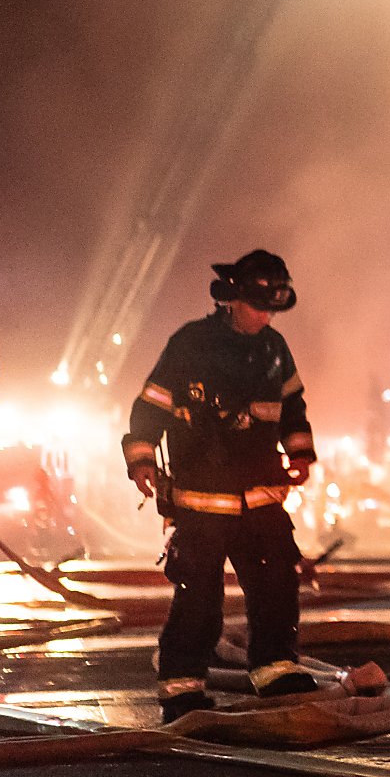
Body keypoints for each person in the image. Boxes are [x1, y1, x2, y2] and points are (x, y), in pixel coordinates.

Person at [122, 250, 319, 723]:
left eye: (272, 308)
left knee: (276, 586)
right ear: (232, 300)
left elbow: (293, 407)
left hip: (262, 497)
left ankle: (275, 667)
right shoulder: (191, 344)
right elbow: (151, 406)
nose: (265, 316)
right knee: (198, 596)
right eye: (258, 306)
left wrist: (300, 454)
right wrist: (143, 458)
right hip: (202, 499)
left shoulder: (275, 350)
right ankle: (182, 685)